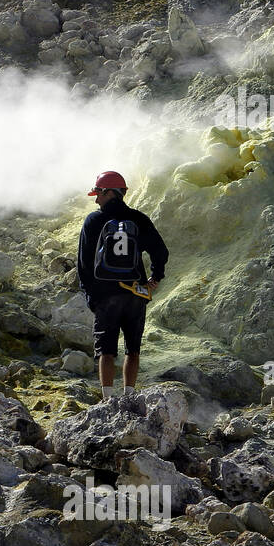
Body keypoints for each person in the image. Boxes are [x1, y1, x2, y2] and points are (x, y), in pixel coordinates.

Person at [76, 171, 168, 400]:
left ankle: (108, 400)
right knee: (133, 349)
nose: (96, 199)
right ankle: (129, 396)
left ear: (109, 193)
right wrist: (154, 280)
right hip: (135, 293)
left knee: (106, 352)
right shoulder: (138, 218)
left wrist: (91, 295)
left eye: (98, 193)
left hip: (106, 296)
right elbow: (161, 252)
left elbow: (84, 263)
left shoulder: (93, 220)